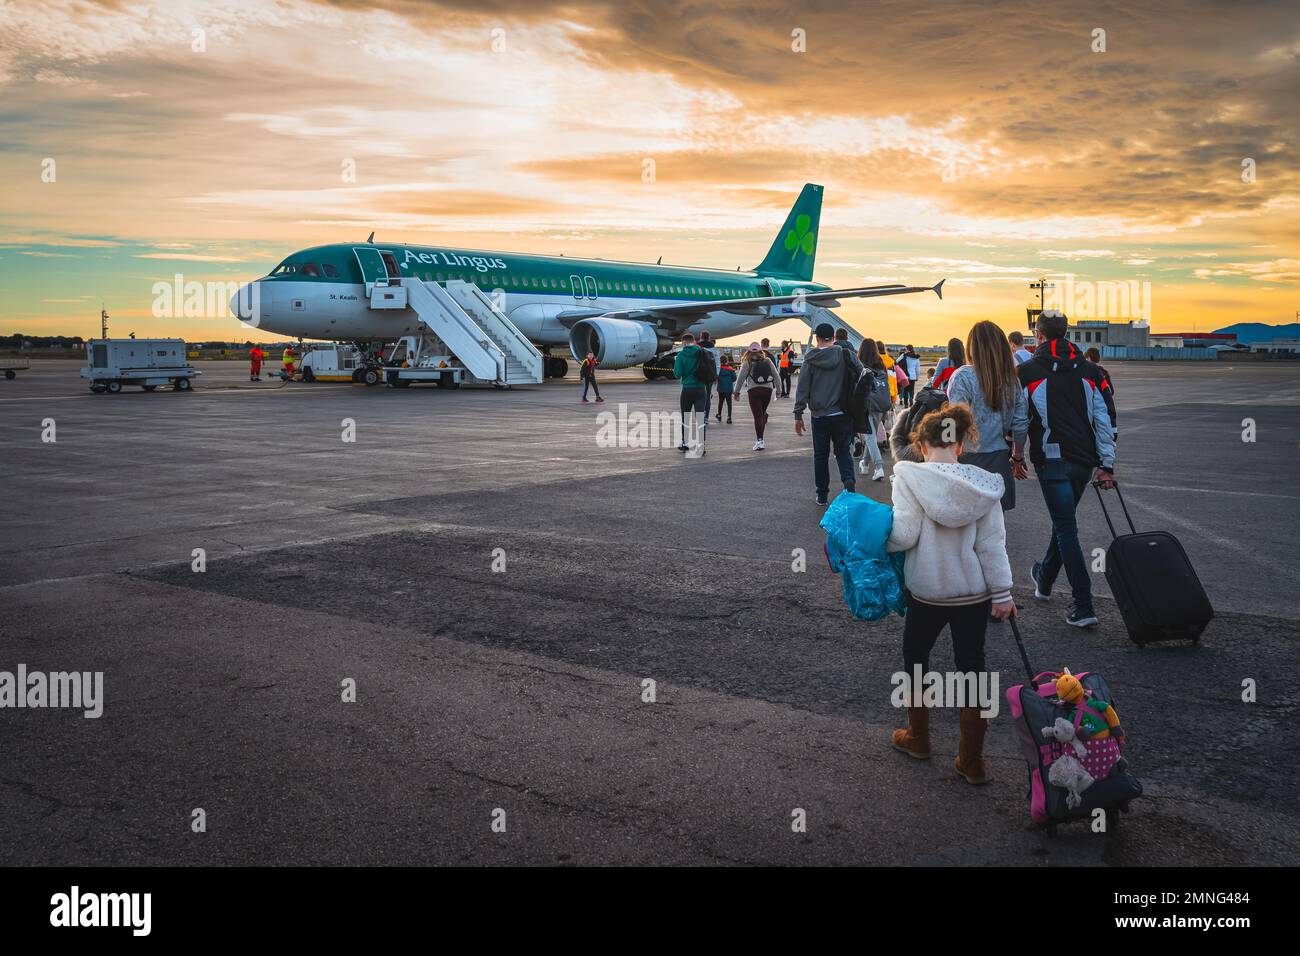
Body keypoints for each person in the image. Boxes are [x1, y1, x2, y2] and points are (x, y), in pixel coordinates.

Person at [886, 404, 1015, 784]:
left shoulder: (909, 479)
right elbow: (993, 546)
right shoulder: (982, 486)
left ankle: (919, 737)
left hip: (927, 592)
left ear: (922, 446)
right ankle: (972, 760)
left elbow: (904, 535)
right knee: (972, 666)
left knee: (916, 658)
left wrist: (880, 542)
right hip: (972, 595)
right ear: (959, 446)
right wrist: (1003, 594)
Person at [1018, 310, 1117, 628]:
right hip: (1084, 462)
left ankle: (1084, 605)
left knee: (1066, 528)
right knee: (1064, 525)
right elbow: (1105, 419)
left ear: (1040, 336)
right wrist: (1107, 464)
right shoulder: (1092, 371)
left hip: (1052, 461)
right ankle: (1044, 579)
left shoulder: (1027, 371)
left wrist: (1016, 455)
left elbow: (1020, 420)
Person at [945, 321, 1029, 511]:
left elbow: (952, 420)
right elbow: (1021, 424)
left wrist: (943, 455)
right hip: (998, 457)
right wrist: (1017, 456)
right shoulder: (1011, 379)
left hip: (966, 458)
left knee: (965, 531)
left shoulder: (962, 377)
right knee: (994, 531)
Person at [793, 322, 862, 505]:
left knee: (821, 456)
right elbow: (862, 374)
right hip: (842, 414)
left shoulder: (810, 359)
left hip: (819, 416)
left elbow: (803, 388)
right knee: (843, 452)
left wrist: (798, 414)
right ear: (833, 338)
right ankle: (849, 488)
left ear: (817, 339)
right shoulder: (846, 354)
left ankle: (822, 495)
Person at [852, 337, 889, 481]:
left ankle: (879, 467)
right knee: (871, 434)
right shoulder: (881, 364)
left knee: (869, 435)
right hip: (880, 404)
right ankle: (865, 463)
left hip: (866, 404)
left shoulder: (859, 364)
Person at [733, 341, 778, 449]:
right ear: (760, 350)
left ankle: (760, 441)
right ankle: (760, 439)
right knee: (762, 415)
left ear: (749, 351)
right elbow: (776, 375)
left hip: (754, 390)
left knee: (757, 416)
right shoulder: (767, 360)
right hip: (768, 390)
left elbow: (740, 379)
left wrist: (736, 392)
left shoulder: (747, 362)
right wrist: (779, 390)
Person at [673, 333, 711, 452]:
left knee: (686, 416)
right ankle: (701, 445)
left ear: (683, 342)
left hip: (687, 389)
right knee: (700, 417)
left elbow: (677, 374)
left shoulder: (681, 355)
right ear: (694, 341)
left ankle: (685, 443)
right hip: (701, 389)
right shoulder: (702, 352)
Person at [715, 357, 736, 422]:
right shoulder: (731, 369)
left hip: (721, 388)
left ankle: (719, 415)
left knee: (720, 402)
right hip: (729, 389)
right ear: (727, 361)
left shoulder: (718, 369)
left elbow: (716, 377)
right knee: (729, 403)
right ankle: (729, 417)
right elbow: (734, 378)